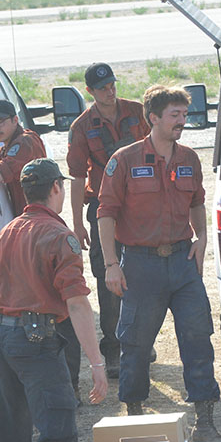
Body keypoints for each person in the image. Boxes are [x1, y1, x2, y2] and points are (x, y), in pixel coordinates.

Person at [0, 158, 108, 442]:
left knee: (14, 428)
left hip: (1, 337)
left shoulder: (8, 230)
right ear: (56, 188)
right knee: (58, 429)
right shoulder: (58, 236)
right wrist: (97, 362)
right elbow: (76, 303)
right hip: (35, 339)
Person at [97, 85, 221, 442]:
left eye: (185, 114)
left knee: (198, 337)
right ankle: (135, 417)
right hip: (140, 264)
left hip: (182, 263)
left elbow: (198, 202)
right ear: (153, 118)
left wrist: (201, 239)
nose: (182, 121)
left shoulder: (189, 159)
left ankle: (206, 420)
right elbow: (105, 213)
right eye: (175, 115)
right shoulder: (124, 160)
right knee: (135, 344)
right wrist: (110, 264)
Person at [66, 62, 150, 378]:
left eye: (112, 85)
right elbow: (76, 177)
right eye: (102, 88)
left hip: (141, 204)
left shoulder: (137, 112)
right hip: (104, 209)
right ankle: (113, 348)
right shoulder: (82, 126)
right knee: (107, 276)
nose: (109, 91)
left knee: (144, 271)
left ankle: (141, 339)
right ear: (90, 91)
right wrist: (75, 223)